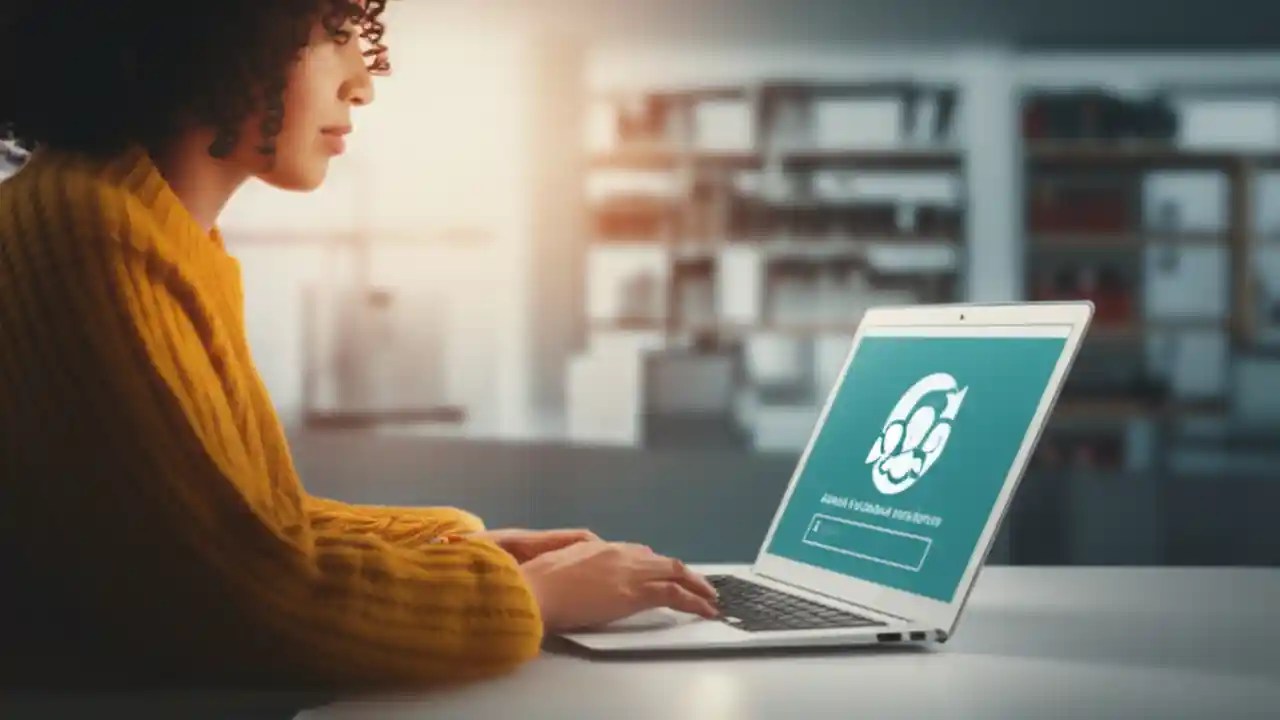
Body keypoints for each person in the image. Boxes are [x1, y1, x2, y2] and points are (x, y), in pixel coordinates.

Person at [0, 0, 719, 696]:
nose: (364, 82)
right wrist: (528, 596)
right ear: (218, 32)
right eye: (335, 32)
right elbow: (246, 597)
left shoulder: (131, 223)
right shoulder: (94, 235)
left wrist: (455, 554)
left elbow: (226, 528)